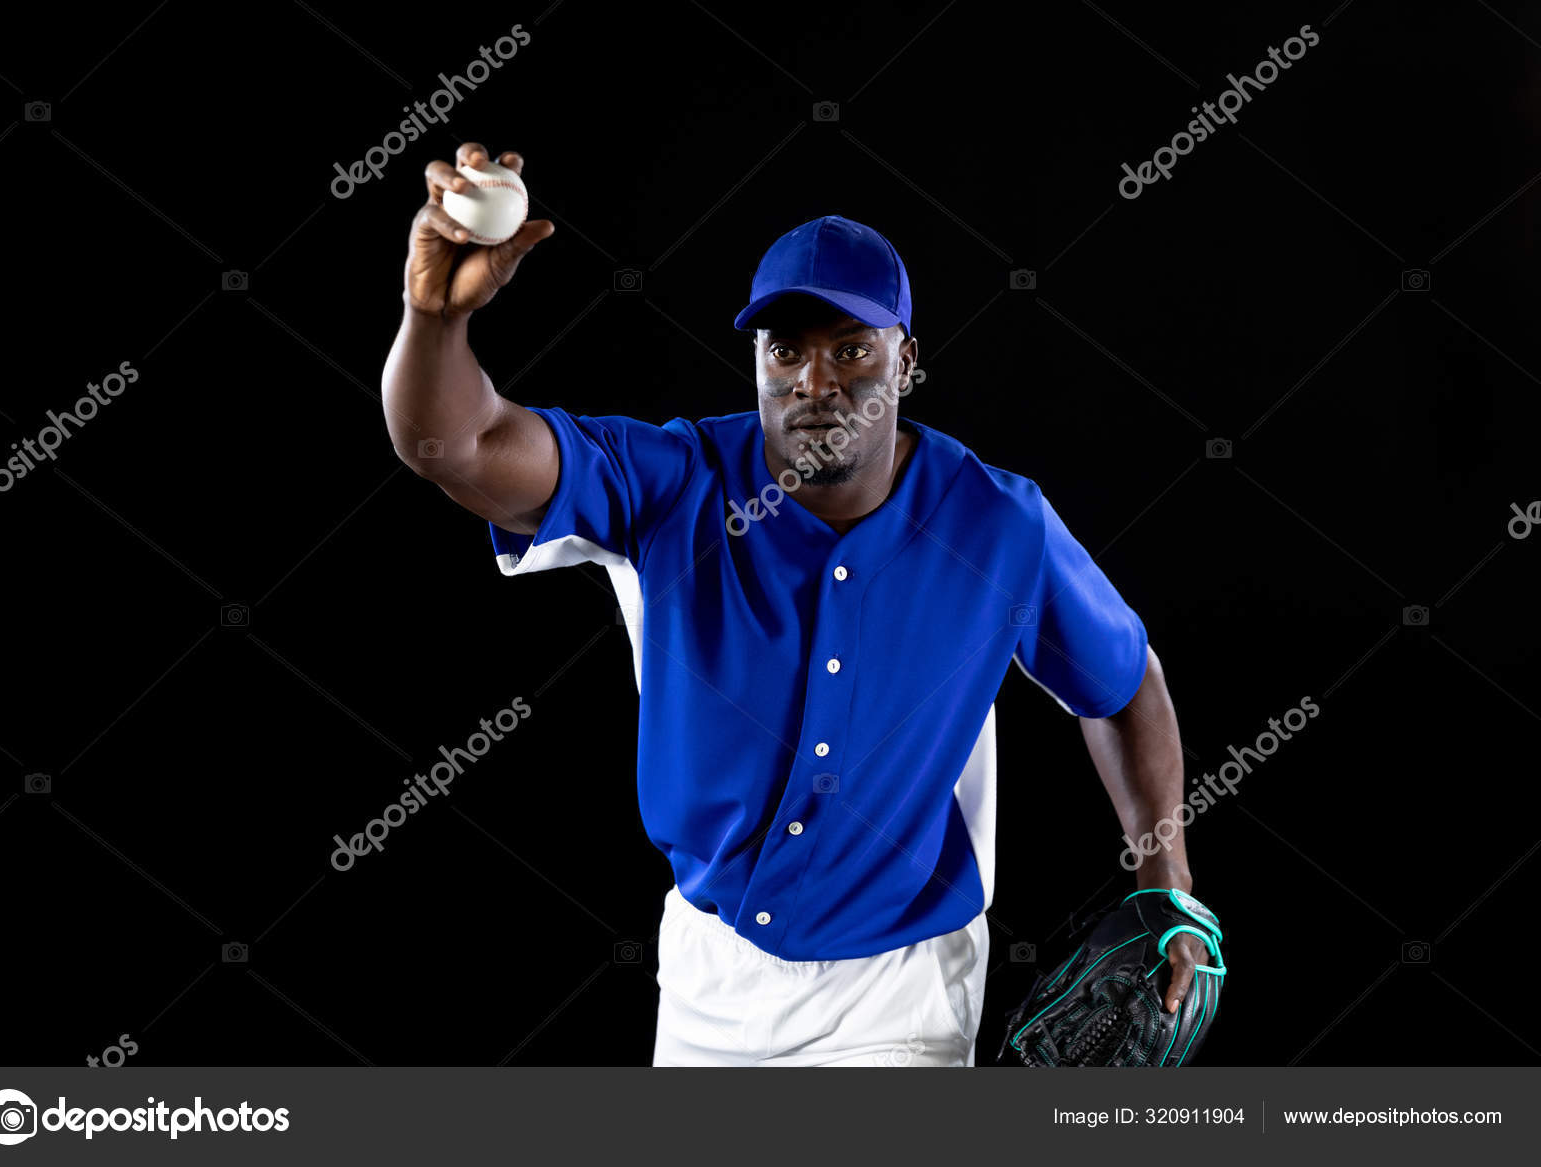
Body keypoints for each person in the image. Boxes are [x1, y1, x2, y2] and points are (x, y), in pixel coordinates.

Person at [381, 141, 1208, 1067]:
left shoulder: (996, 525)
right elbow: (454, 445)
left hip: (900, 990)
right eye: (786, 351)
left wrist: (1163, 875)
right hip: (708, 973)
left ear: (907, 363)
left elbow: (1125, 680)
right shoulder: (671, 483)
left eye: (853, 350)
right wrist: (432, 321)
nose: (816, 383)